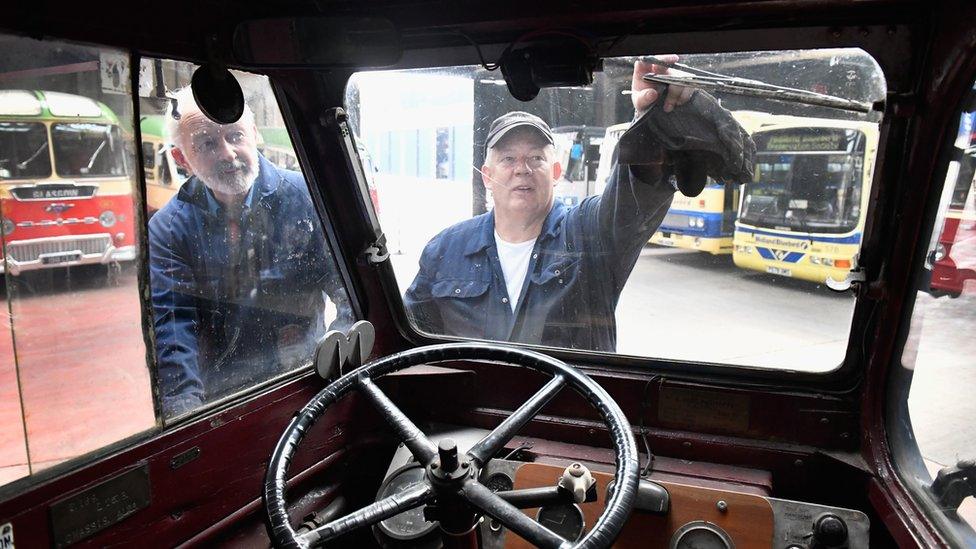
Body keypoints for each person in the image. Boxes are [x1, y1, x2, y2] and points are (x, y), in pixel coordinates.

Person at [404, 57, 754, 352]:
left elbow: (636, 192)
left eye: (536, 158)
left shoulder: (589, 235)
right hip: (476, 424)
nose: (521, 169)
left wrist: (655, 116)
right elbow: (406, 338)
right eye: (508, 158)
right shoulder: (444, 249)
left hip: (573, 422)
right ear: (486, 175)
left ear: (556, 172)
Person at [149, 87, 353, 417]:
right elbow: (173, 332)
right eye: (207, 143)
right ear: (181, 158)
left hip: (305, 379)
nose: (228, 153)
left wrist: (333, 360)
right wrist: (187, 418)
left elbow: (348, 292)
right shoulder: (169, 230)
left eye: (235, 136)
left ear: (254, 135)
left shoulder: (307, 198)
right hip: (221, 399)